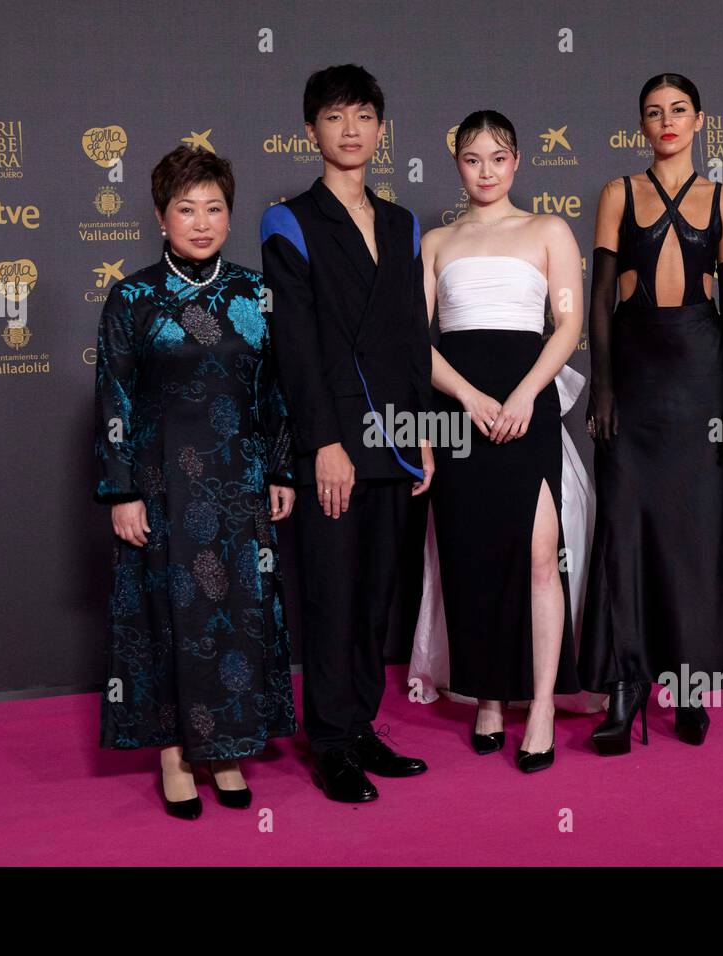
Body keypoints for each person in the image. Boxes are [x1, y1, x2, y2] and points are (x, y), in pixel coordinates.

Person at [95, 146, 298, 819]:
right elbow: (115, 396)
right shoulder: (132, 296)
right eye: (187, 209)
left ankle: (228, 748)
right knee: (171, 617)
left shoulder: (255, 293)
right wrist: (121, 490)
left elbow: (276, 390)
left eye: (215, 208)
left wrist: (279, 466)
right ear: (161, 215)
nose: (202, 222)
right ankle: (176, 754)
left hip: (238, 479)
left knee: (235, 611)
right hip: (160, 485)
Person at [260, 64, 434, 803]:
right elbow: (294, 343)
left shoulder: (403, 223)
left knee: (376, 595)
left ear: (381, 129)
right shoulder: (288, 220)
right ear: (312, 132)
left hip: (397, 435)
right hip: (333, 437)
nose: (351, 130)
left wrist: (424, 430)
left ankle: (360, 725)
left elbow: (409, 334)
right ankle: (329, 739)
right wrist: (322, 443)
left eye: (363, 115)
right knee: (330, 593)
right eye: (335, 117)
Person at [580, 73, 723, 753]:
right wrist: (602, 391)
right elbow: (598, 300)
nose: (667, 121)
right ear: (642, 126)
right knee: (623, 532)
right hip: (634, 374)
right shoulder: (617, 194)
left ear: (700, 120)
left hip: (699, 379)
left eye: (679, 110)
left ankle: (688, 689)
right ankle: (624, 690)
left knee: (692, 536)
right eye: (654, 112)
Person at [412, 111, 585, 773]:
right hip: (461, 411)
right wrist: (470, 397)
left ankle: (539, 704)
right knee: (470, 559)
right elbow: (415, 343)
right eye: (473, 159)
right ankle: (487, 695)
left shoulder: (548, 230)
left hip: (526, 405)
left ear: (518, 161)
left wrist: (524, 394)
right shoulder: (436, 241)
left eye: (498, 157)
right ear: (457, 164)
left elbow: (566, 325)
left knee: (541, 557)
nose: (486, 171)